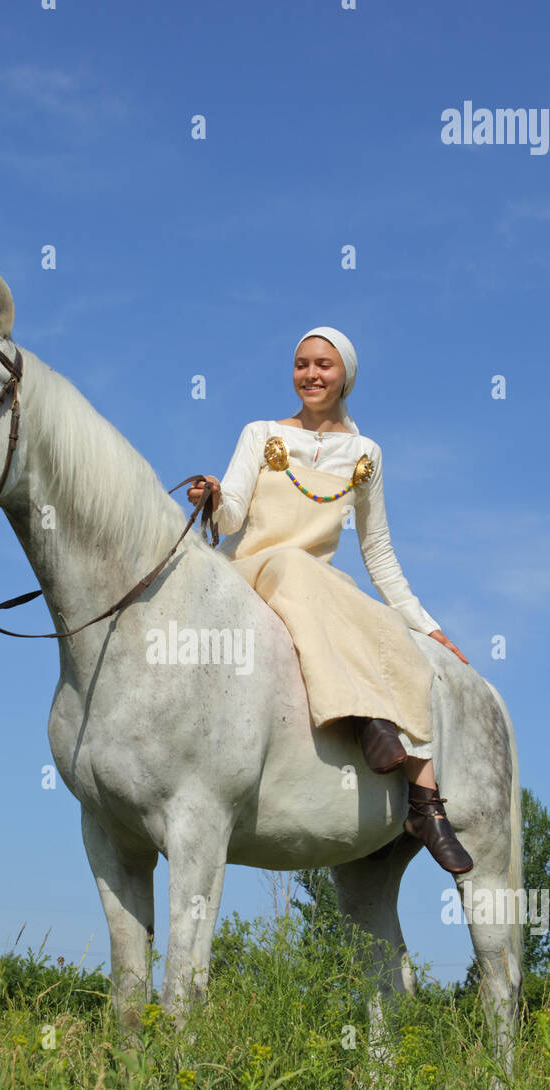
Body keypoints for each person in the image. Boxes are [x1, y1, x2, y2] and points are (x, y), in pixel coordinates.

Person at [187, 327, 473, 874]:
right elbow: (229, 522)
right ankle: (370, 722)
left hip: (315, 582)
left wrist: (427, 625)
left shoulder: (365, 454)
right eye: (301, 364)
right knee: (294, 563)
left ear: (346, 377)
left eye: (323, 365)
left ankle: (424, 802)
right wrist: (214, 495)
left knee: (386, 626)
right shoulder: (260, 433)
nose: (311, 375)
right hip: (256, 570)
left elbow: (379, 552)